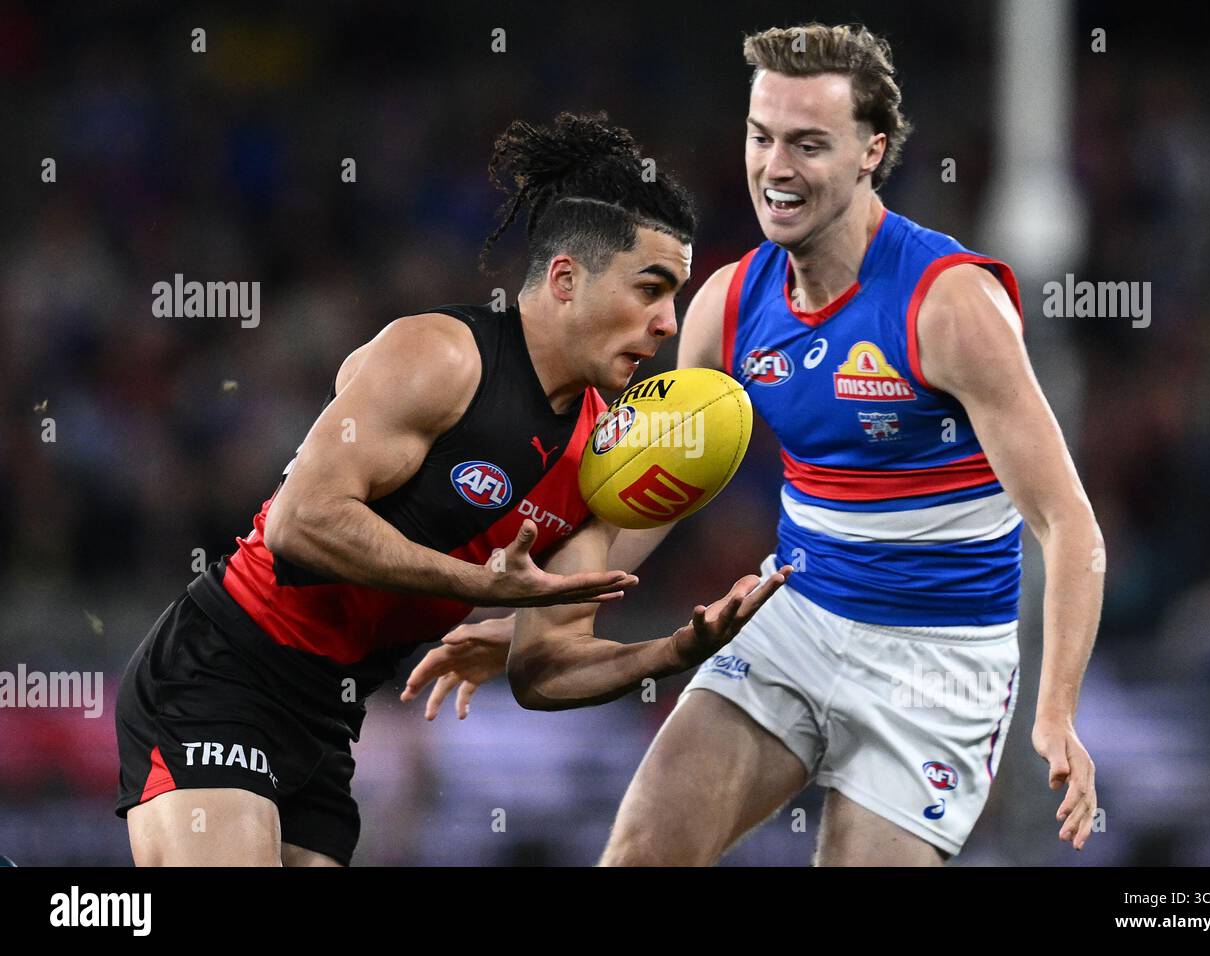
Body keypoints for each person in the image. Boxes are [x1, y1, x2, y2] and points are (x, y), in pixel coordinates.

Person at [416, 24, 1102, 867]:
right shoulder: (729, 305)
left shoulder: (948, 304)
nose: (776, 167)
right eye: (761, 136)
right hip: (795, 622)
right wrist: (544, 624)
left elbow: (1070, 523)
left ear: (869, 152)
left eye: (809, 144)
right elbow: (640, 498)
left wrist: (1057, 710)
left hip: (938, 665)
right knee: (639, 854)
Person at [115, 112, 788, 867]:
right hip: (220, 672)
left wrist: (670, 650)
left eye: (676, 299)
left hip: (327, 721)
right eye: (651, 290)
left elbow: (543, 669)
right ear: (566, 278)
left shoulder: (606, 460)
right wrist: (482, 583)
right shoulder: (440, 356)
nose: (668, 323)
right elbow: (301, 524)